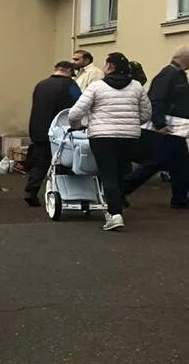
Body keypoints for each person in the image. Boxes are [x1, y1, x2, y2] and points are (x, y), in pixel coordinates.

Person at [68, 52, 151, 231]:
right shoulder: (137, 87)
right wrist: (131, 124)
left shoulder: (97, 86)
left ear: (111, 67)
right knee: (122, 172)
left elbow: (75, 113)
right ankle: (118, 207)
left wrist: (78, 125)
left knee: (108, 174)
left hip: (102, 137)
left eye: (106, 64)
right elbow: (146, 114)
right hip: (130, 137)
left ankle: (114, 214)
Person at [124, 45, 189, 209]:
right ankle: (120, 190)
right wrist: (160, 123)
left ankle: (180, 198)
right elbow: (156, 99)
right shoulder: (169, 74)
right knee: (156, 162)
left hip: (175, 129)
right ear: (184, 58)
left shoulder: (178, 75)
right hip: (163, 129)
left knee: (181, 163)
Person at [23, 61, 82, 207]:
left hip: (38, 129)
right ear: (69, 71)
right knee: (64, 162)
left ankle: (31, 191)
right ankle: (66, 193)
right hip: (60, 130)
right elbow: (79, 105)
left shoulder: (41, 84)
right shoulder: (71, 86)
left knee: (40, 163)